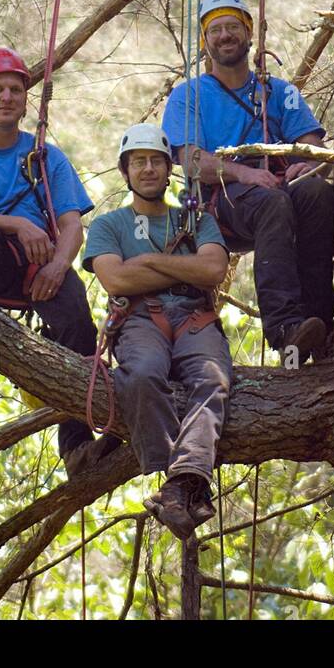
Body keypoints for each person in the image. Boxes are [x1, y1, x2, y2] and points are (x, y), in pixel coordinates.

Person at [0, 46, 117, 477]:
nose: (8, 97)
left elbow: (72, 224)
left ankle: (75, 447)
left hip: (40, 270)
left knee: (77, 322)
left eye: (16, 89)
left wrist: (58, 266)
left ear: (25, 99)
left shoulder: (46, 157)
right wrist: (19, 225)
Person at [162, 0, 334, 366]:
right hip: (221, 199)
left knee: (318, 193)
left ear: (248, 32)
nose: (225, 36)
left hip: (274, 185)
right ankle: (285, 327)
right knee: (272, 202)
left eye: (233, 27)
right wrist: (243, 172)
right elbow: (191, 161)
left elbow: (311, 142)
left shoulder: (278, 92)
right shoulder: (188, 96)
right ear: (206, 41)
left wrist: (305, 163)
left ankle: (322, 321)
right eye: (216, 30)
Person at [83, 124, 232, 540]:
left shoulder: (195, 219)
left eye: (155, 161)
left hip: (194, 318)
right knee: (143, 373)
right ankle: (181, 479)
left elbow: (213, 270)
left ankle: (179, 486)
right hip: (139, 320)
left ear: (169, 170)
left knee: (213, 380)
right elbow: (115, 280)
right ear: (125, 172)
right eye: (138, 162)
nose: (147, 169)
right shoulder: (108, 226)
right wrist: (175, 268)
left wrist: (146, 265)